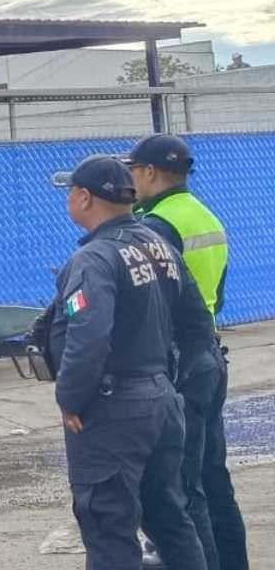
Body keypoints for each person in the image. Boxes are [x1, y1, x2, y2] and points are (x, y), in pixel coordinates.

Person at [42, 155, 211, 570]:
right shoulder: (159, 247)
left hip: (114, 408)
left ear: (84, 198)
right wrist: (170, 382)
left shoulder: (95, 258)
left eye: (70, 192)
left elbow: (89, 334)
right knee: (170, 519)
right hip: (161, 400)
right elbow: (198, 324)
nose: (69, 199)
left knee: (108, 526)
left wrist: (70, 398)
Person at [127, 135, 246, 570]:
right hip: (210, 354)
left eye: (133, 170)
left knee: (181, 486)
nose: (130, 180)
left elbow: (149, 302)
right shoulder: (203, 215)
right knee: (214, 480)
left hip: (177, 361)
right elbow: (217, 296)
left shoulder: (157, 226)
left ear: (149, 172)